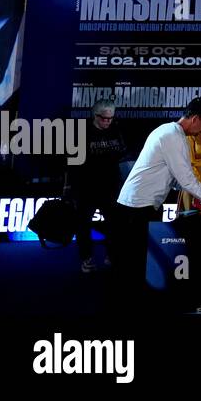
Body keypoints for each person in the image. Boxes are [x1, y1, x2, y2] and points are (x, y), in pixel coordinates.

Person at [113, 98, 201, 299]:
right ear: (195, 118)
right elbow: (186, 180)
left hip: (142, 203)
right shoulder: (172, 136)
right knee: (135, 262)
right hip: (137, 206)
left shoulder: (171, 132)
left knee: (140, 260)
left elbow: (177, 179)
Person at [66, 99, 127, 273]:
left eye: (110, 118)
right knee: (84, 226)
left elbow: (123, 154)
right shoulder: (82, 132)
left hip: (111, 186)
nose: (107, 121)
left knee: (114, 225)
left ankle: (111, 256)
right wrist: (71, 188)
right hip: (87, 187)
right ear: (95, 115)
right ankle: (87, 259)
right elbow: (72, 163)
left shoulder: (116, 130)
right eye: (104, 118)